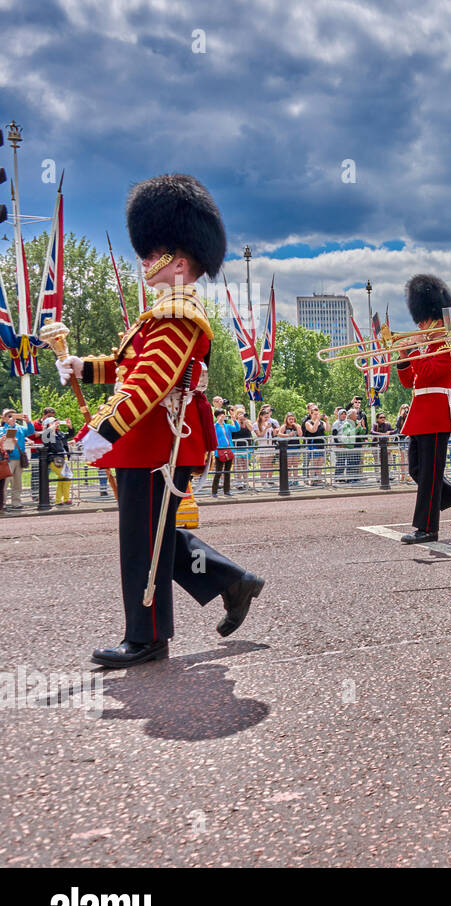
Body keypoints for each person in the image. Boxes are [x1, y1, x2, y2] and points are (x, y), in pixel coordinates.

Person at [55, 173, 263, 667]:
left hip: (155, 442)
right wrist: (86, 367)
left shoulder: (178, 316)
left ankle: (146, 637)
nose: (145, 261)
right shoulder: (160, 316)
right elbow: (130, 366)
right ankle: (232, 581)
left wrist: (102, 432)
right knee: (155, 537)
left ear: (180, 261)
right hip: (151, 441)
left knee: (140, 545)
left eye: (153, 254)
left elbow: (150, 383)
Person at [394, 274, 451, 544]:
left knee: (429, 475)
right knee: (417, 471)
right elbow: (409, 381)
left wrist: (416, 350)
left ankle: (427, 528)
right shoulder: (427, 346)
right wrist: (404, 356)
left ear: (439, 321)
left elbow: (430, 373)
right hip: (420, 413)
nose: (419, 325)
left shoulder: (447, 346)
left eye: (424, 321)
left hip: (436, 413)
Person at [2, 409, 35, 510]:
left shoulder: (20, 428)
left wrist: (28, 421)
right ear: (4, 419)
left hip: (18, 459)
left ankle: (16, 502)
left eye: (13, 416)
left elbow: (31, 432)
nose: (12, 418)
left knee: (17, 482)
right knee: (5, 483)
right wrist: (10, 429)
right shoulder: (2, 429)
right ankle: (2, 503)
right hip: (7, 460)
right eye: (9, 416)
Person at [211, 408, 235, 496]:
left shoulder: (227, 426)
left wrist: (234, 419)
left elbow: (236, 429)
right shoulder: (214, 426)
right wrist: (218, 422)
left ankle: (227, 490)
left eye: (223, 414)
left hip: (228, 450)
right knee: (218, 472)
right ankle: (214, 491)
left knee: (227, 472)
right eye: (220, 415)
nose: (222, 416)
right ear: (217, 416)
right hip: (219, 451)